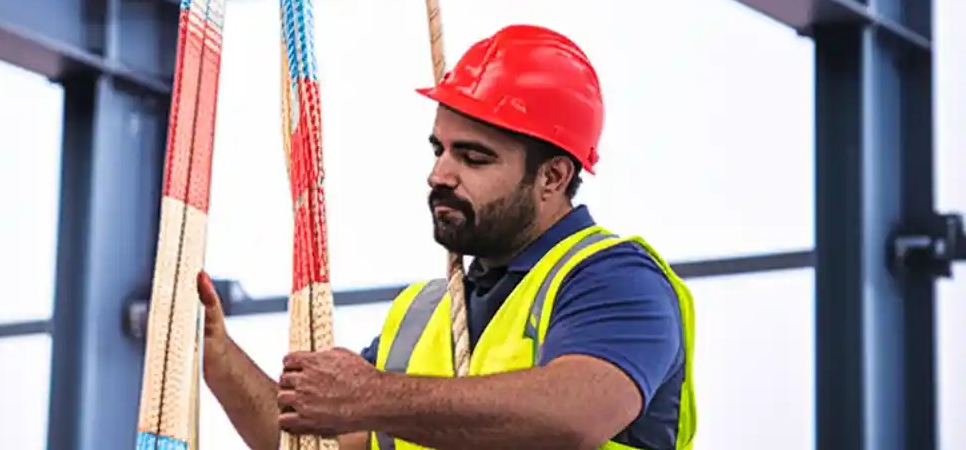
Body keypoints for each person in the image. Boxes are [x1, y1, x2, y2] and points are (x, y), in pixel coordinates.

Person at [199, 24, 697, 450]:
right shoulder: (422, 315)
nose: (440, 173)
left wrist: (370, 396)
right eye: (440, 149)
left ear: (553, 177)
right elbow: (311, 444)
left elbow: (578, 414)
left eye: (473, 157)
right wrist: (217, 355)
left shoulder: (615, 281)